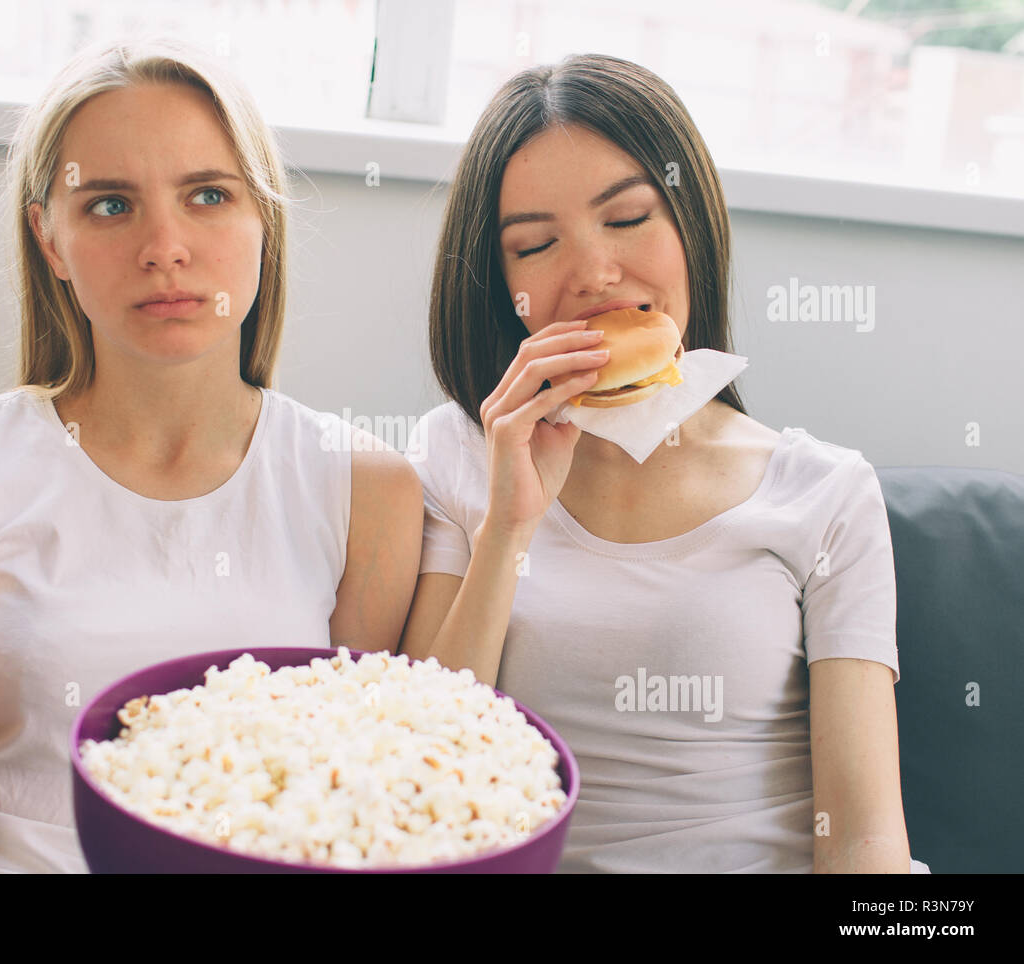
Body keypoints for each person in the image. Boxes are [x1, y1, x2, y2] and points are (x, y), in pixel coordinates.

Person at [0, 37, 422, 874]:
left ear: (264, 218)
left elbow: (337, 827)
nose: (165, 247)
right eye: (110, 205)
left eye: (209, 195)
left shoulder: (364, 489)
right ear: (51, 242)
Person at [398, 53, 930, 874]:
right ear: (501, 285)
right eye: (535, 245)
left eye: (628, 219)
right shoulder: (457, 452)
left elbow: (865, 840)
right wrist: (507, 527)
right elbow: (415, 774)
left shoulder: (825, 492)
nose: (595, 276)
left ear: (691, 223)